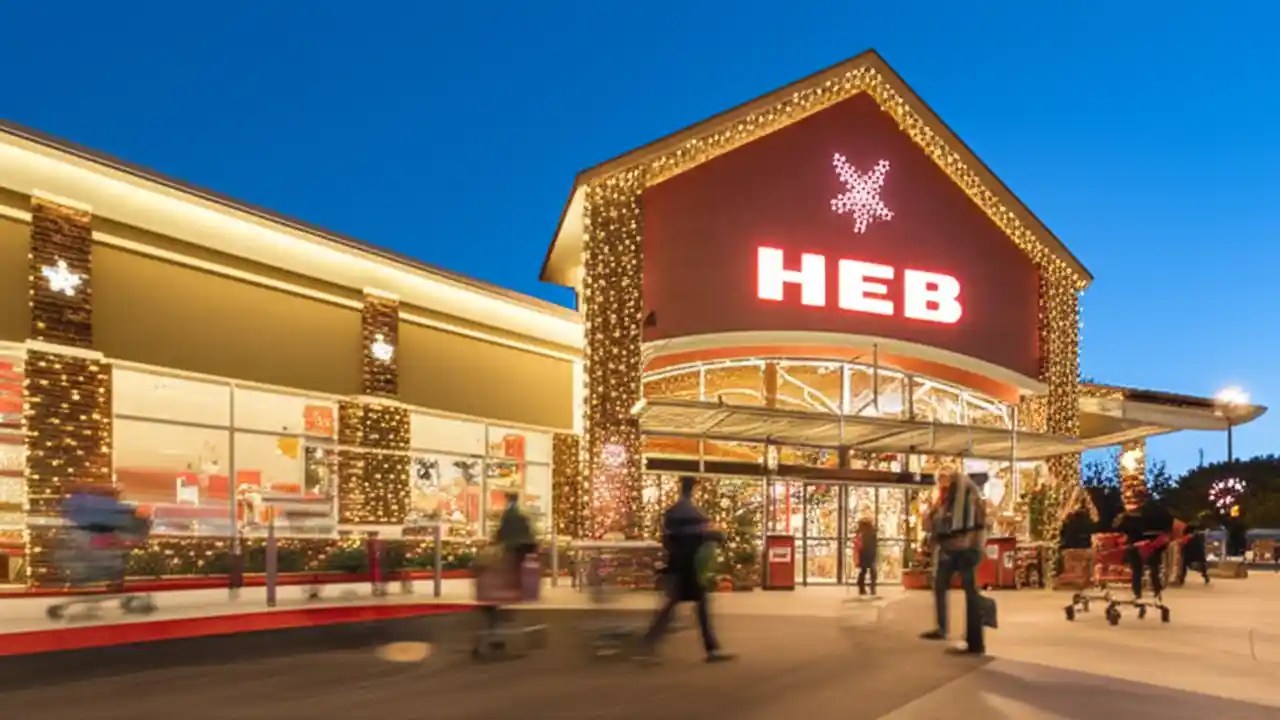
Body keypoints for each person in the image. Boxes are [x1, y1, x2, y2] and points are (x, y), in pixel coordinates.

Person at [636, 475, 733, 663]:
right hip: (689, 567)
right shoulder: (692, 513)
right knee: (694, 607)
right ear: (692, 490)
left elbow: (670, 538)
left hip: (678, 565)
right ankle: (711, 649)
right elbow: (700, 534)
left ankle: (648, 645)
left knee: (674, 607)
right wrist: (715, 535)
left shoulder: (673, 513)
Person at [920, 471, 988, 655]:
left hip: (964, 550)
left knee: (971, 593)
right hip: (954, 549)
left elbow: (967, 526)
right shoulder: (952, 498)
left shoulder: (964, 497)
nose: (942, 485)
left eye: (944, 480)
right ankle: (945, 629)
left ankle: (974, 642)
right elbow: (935, 523)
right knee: (943, 586)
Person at [1113, 490, 1174, 600]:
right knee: (1154, 567)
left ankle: (1137, 592)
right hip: (1156, 541)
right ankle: (1157, 590)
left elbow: (1122, 527)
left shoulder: (1134, 513)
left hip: (1136, 542)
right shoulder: (1162, 511)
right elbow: (1169, 525)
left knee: (1137, 569)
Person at [855, 517, 878, 596]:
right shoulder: (870, 533)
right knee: (870, 572)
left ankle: (863, 587)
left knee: (864, 571)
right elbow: (874, 545)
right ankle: (871, 588)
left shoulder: (861, 533)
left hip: (864, 555)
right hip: (867, 555)